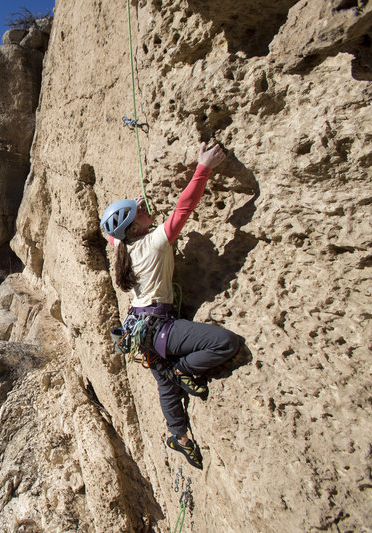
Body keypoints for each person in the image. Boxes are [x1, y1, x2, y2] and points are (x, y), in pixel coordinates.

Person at [100, 142, 240, 470]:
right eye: (137, 210)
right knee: (225, 343)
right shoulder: (154, 242)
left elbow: (113, 235)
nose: (142, 205)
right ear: (135, 227)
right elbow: (183, 208)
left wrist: (126, 215)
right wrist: (203, 167)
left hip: (139, 327)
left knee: (164, 387)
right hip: (160, 327)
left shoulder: (122, 247)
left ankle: (179, 436)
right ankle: (183, 370)